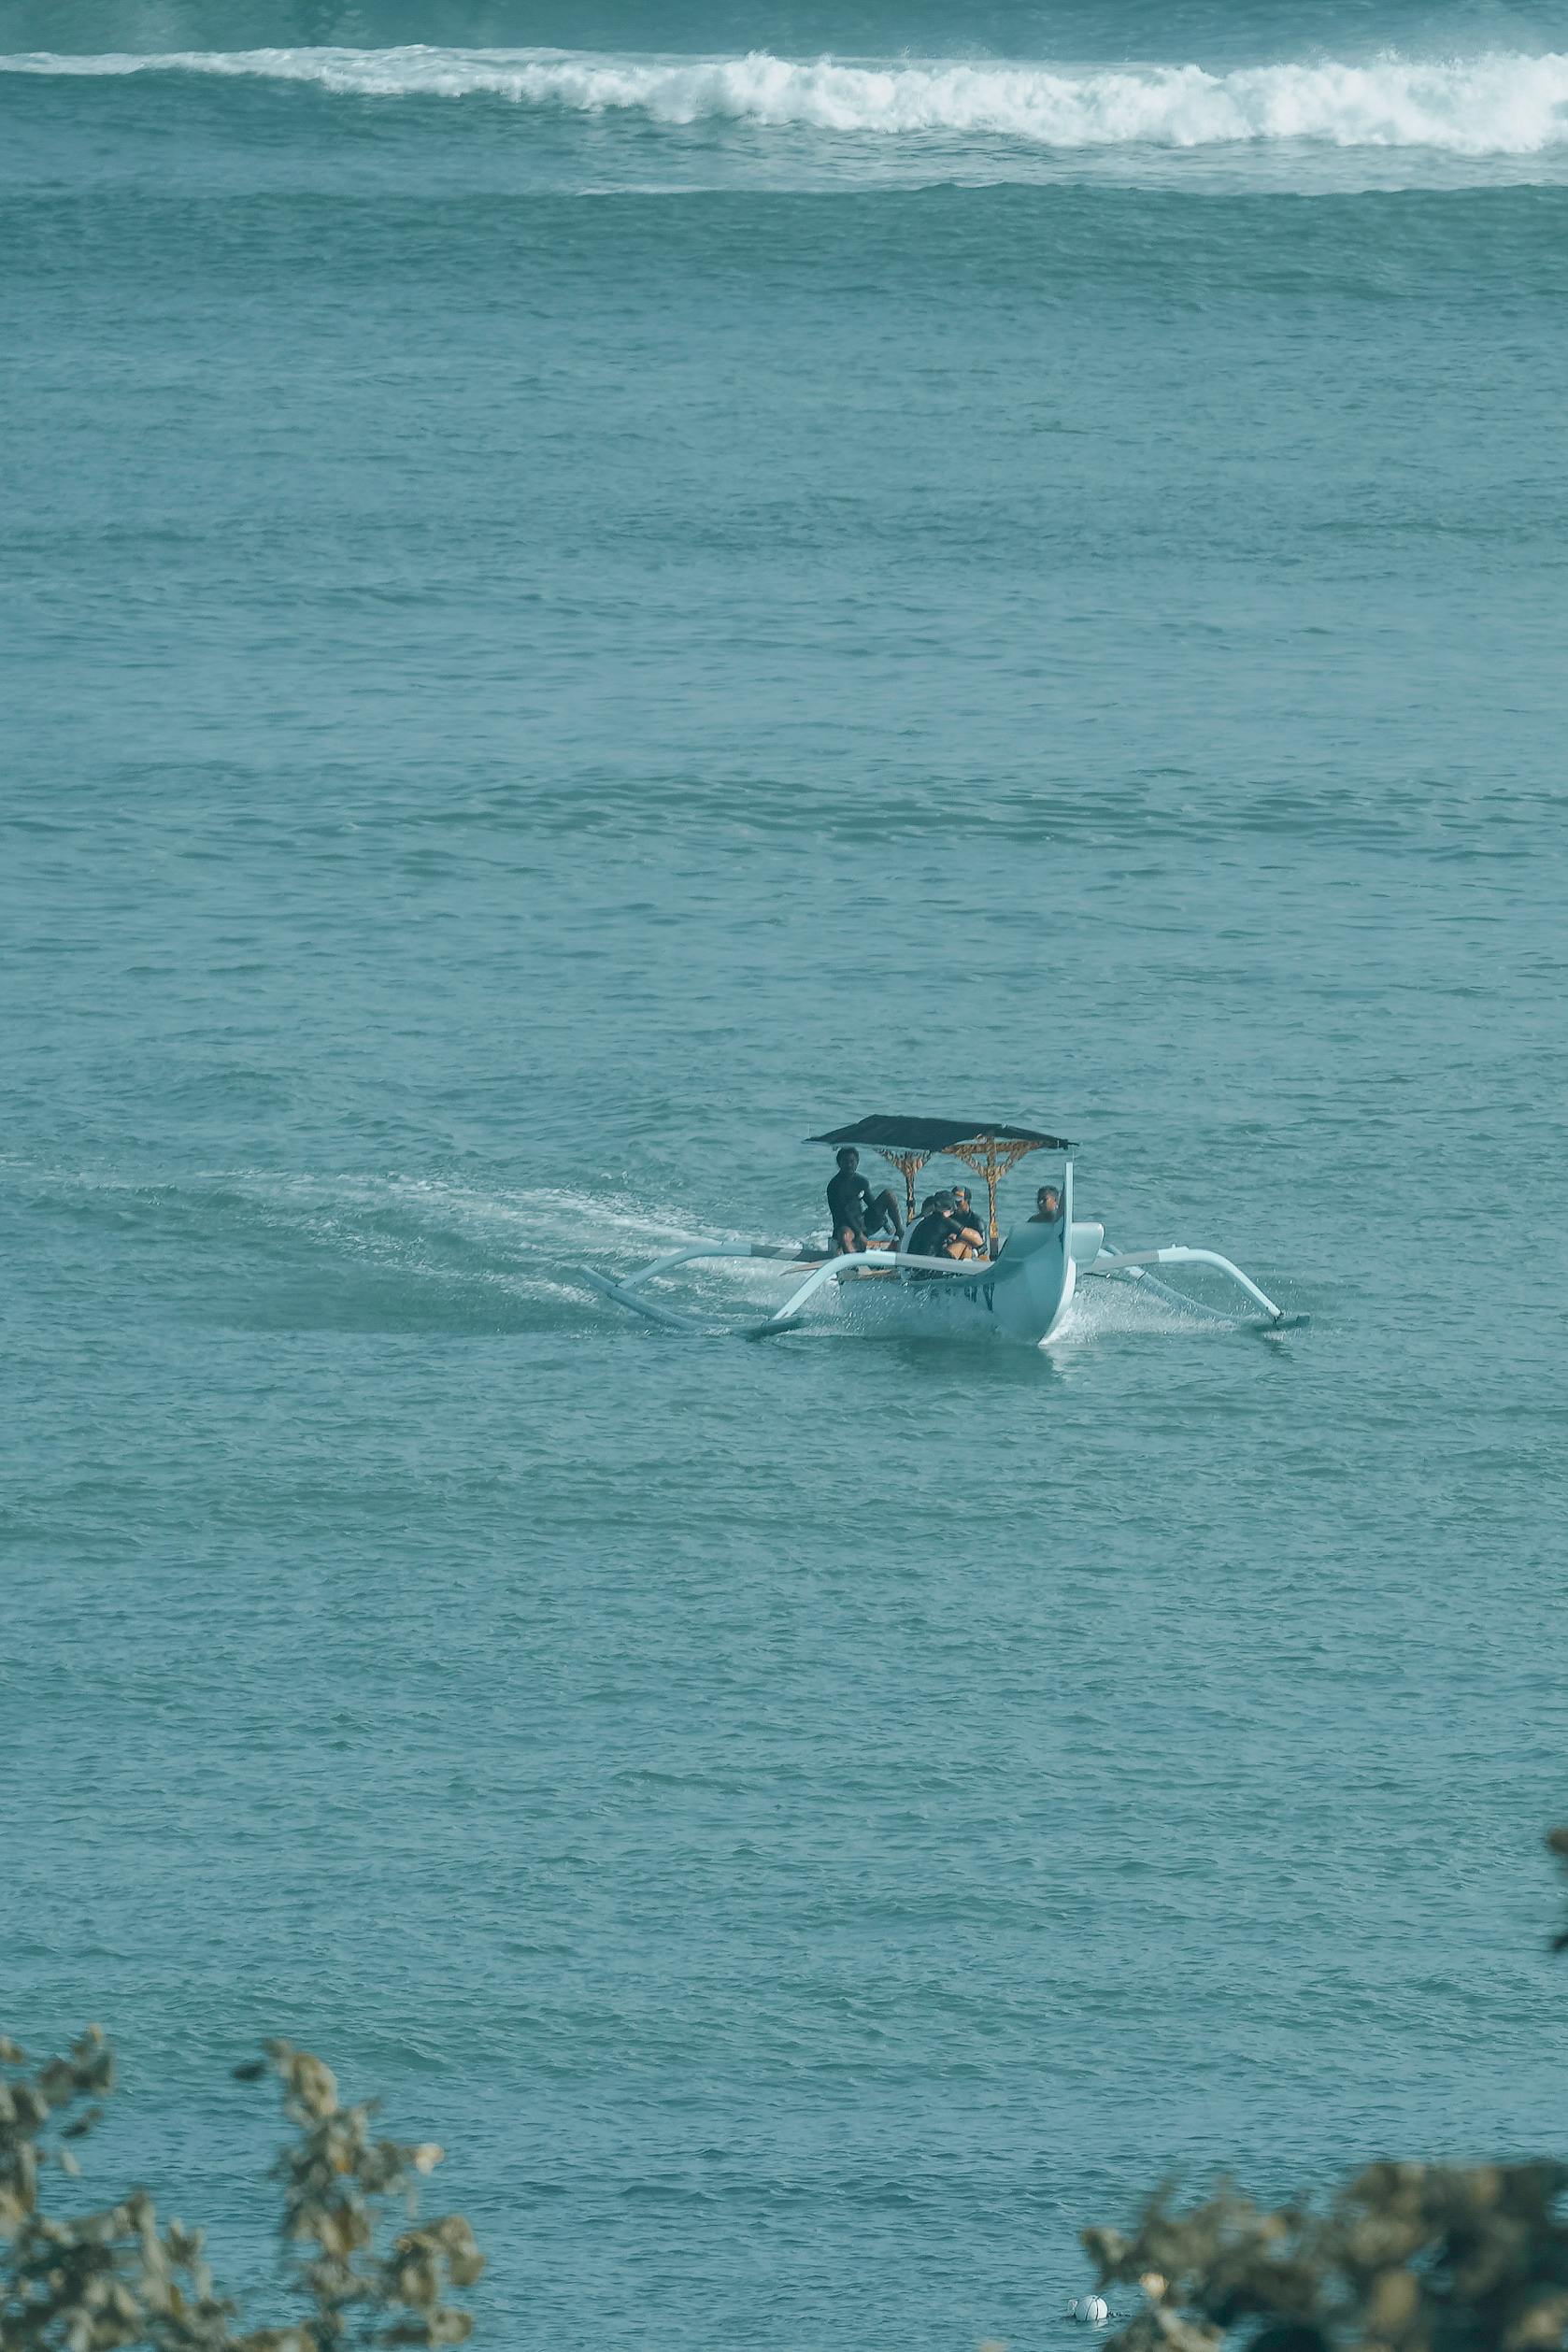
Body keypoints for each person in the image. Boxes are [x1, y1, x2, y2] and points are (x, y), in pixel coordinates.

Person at [825, 1147, 904, 1256]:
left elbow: (871, 1204)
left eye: (852, 1161)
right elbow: (843, 1213)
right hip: (844, 1225)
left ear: (857, 1162)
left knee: (888, 1195)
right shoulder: (834, 1185)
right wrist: (859, 1234)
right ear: (839, 1163)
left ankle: (900, 1233)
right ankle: (853, 1264)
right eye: (845, 1162)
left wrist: (887, 1226)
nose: (849, 1165)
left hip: (862, 1221)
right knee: (844, 1236)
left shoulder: (861, 1181)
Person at [948, 1186, 988, 1257]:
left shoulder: (977, 1221)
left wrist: (972, 1254)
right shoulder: (948, 1218)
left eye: (958, 1201)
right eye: (953, 1201)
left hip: (971, 1256)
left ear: (968, 1201)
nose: (955, 1204)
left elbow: (984, 1246)